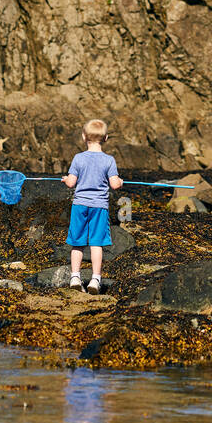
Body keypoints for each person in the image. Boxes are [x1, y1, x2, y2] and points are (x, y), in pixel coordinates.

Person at [61, 119, 122, 294]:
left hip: (80, 205)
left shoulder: (78, 158)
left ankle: (74, 276)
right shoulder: (109, 160)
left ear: (83, 137)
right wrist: (120, 181)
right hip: (99, 207)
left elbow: (71, 183)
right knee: (96, 244)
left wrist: (66, 179)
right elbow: (115, 185)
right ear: (106, 138)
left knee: (77, 242)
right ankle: (95, 279)